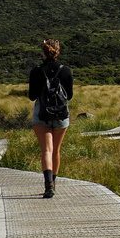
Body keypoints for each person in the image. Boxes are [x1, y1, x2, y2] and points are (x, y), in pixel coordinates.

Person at [28, 39, 73, 199]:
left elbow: (32, 96)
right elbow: (70, 95)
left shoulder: (36, 71)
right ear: (58, 52)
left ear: (44, 52)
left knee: (46, 150)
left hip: (42, 114)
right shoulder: (66, 70)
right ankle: (53, 183)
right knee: (56, 150)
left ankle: (48, 186)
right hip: (61, 114)